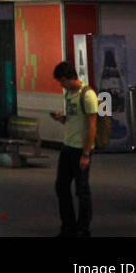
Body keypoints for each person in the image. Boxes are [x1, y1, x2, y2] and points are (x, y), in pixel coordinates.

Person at [51, 60, 98, 238]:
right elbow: (71, 120)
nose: (61, 85)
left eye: (62, 81)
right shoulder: (68, 95)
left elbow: (92, 126)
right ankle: (68, 227)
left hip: (80, 149)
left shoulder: (87, 95)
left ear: (71, 78)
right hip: (67, 147)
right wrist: (60, 119)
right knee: (61, 187)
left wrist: (86, 153)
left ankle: (83, 229)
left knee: (82, 190)